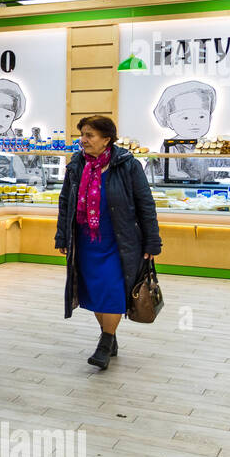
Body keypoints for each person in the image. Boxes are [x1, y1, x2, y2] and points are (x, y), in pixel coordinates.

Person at [55, 115, 162, 370]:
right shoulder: (76, 165)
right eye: (82, 134)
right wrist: (62, 235)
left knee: (113, 291)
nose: (83, 140)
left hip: (119, 241)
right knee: (94, 292)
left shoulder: (127, 165)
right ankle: (109, 335)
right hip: (85, 241)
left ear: (107, 139)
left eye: (89, 135)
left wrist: (152, 241)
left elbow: (146, 204)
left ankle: (105, 342)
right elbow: (65, 203)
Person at [153, 80, 217, 184]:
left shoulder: (208, 145)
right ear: (170, 122)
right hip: (180, 190)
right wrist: (193, 181)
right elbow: (173, 173)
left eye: (201, 116)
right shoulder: (170, 146)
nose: (194, 123)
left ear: (210, 118)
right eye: (185, 118)